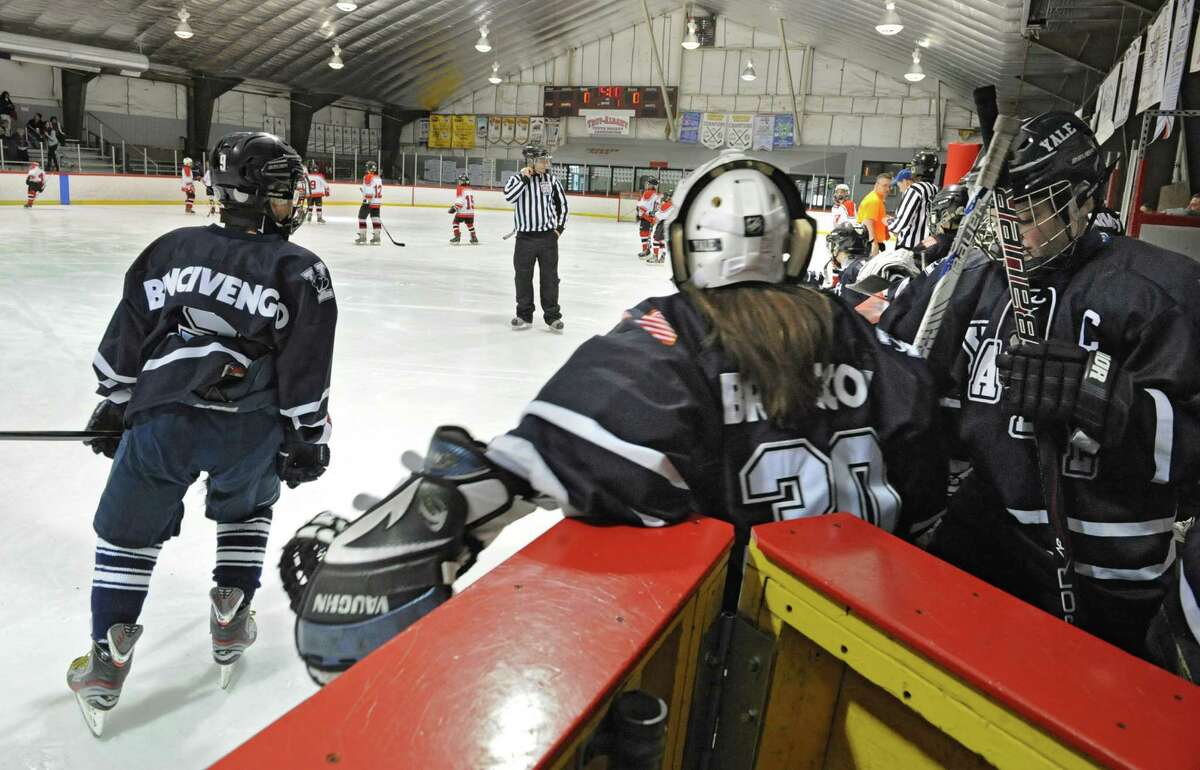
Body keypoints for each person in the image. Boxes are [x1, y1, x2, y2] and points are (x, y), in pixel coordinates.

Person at [281, 151, 946, 683]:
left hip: (731, 656)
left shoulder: (674, 332)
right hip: (871, 657)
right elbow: (927, 486)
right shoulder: (867, 341)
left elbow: (537, 458)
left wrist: (425, 521)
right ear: (795, 244)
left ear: (688, 246)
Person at [879, 111, 1200, 676]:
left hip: (1107, 576)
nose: (1007, 230)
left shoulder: (1157, 291)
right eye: (1000, 212)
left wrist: (1109, 403)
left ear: (1080, 201)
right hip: (986, 542)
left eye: (1025, 213)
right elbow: (903, 369)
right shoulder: (975, 284)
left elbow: (1192, 456)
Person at [65, 131, 337, 734]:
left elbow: (124, 345)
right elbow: (306, 366)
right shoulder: (300, 269)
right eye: (286, 190)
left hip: (162, 418)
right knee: (247, 509)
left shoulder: (168, 250)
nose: (295, 200)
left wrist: (115, 404)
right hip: (252, 426)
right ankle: (232, 609)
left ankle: (107, 661)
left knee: (128, 536)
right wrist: (305, 435)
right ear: (259, 194)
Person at [503, 144, 568, 331]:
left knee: (550, 278)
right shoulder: (516, 179)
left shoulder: (552, 180)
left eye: (546, 160)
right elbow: (509, 197)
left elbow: (562, 206)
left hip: (548, 239)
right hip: (525, 239)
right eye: (541, 160)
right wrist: (524, 178)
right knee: (523, 278)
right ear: (530, 161)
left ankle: (552, 316)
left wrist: (558, 231)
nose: (546, 164)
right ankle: (524, 315)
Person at [889, 152, 939, 251]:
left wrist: (888, 224)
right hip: (928, 245)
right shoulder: (935, 188)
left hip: (910, 248)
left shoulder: (916, 189)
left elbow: (902, 223)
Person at [915, 184, 967, 267]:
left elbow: (917, 254)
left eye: (934, 214)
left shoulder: (935, 243)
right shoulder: (970, 241)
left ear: (945, 214)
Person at [858, 173, 892, 256]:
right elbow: (868, 223)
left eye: (889, 186)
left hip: (874, 242)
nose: (887, 189)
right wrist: (874, 245)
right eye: (885, 185)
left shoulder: (878, 199)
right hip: (870, 244)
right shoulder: (874, 200)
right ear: (876, 185)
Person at [356, 161, 383, 245]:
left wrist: (367, 199)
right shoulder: (378, 178)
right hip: (377, 202)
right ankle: (377, 238)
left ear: (368, 168)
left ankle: (363, 237)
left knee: (361, 217)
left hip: (368, 202)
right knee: (375, 218)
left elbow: (369, 190)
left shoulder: (367, 177)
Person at [635, 177, 661, 258]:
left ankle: (646, 251)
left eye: (649, 184)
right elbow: (656, 208)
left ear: (652, 185)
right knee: (647, 234)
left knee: (644, 233)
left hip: (646, 217)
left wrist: (639, 209)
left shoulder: (648, 193)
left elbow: (642, 206)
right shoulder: (656, 195)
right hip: (651, 218)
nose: (647, 185)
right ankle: (647, 250)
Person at [449, 174, 478, 244]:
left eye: (461, 181)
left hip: (462, 211)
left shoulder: (460, 188)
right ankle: (474, 237)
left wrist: (454, 208)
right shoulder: (470, 189)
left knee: (455, 222)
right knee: (470, 224)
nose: (459, 182)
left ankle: (457, 237)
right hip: (471, 212)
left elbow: (460, 201)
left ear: (464, 182)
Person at [648, 188, 673, 264]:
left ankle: (655, 256)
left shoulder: (668, 204)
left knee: (656, 239)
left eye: (669, 196)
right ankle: (662, 257)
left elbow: (660, 215)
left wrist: (653, 213)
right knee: (662, 240)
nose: (667, 197)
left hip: (663, 224)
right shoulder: (675, 205)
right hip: (669, 224)